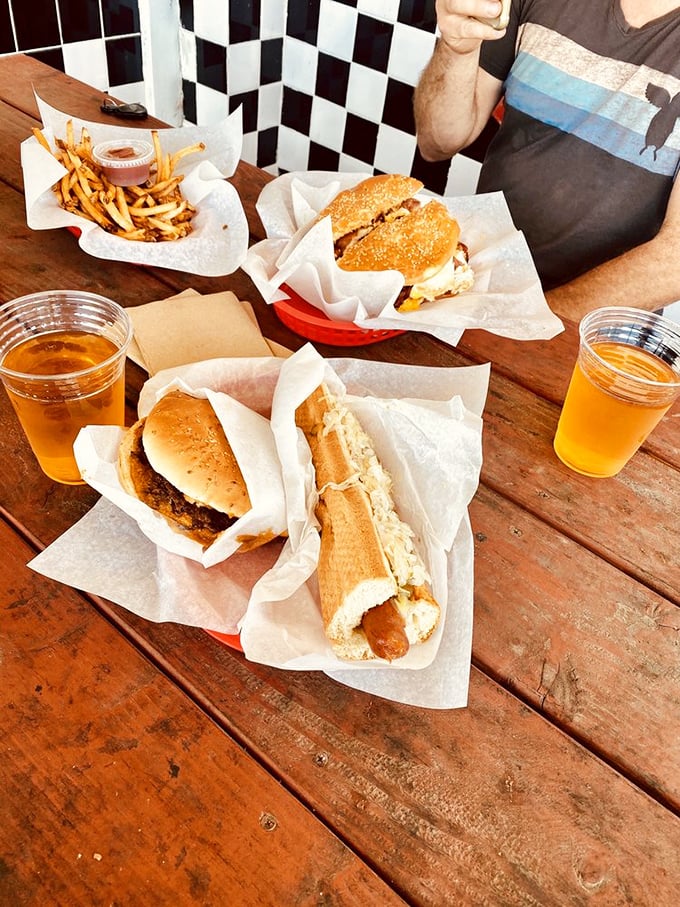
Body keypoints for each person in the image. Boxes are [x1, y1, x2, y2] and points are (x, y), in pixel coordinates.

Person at [414, 1, 680, 321]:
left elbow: (673, 261)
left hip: (597, 337)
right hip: (470, 285)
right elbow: (436, 143)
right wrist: (457, 50)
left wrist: (522, 323)